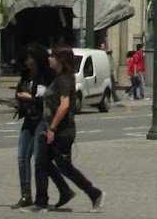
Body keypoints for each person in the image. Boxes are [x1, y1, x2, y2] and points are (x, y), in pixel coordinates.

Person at [33, 46, 103, 213]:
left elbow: (64, 106)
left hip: (62, 131)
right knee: (42, 162)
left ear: (61, 60)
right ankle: (46, 199)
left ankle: (94, 193)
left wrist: (52, 128)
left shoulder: (64, 79)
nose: (49, 59)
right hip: (53, 129)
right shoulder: (59, 78)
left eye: (53, 57)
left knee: (65, 167)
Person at [12, 44, 49, 209]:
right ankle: (25, 194)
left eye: (30, 60)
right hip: (28, 118)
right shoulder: (26, 76)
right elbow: (20, 93)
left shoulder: (44, 76)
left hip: (41, 117)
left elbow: (45, 98)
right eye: (26, 60)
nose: (28, 63)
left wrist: (31, 98)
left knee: (38, 156)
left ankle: (42, 196)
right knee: (22, 156)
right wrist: (17, 101)